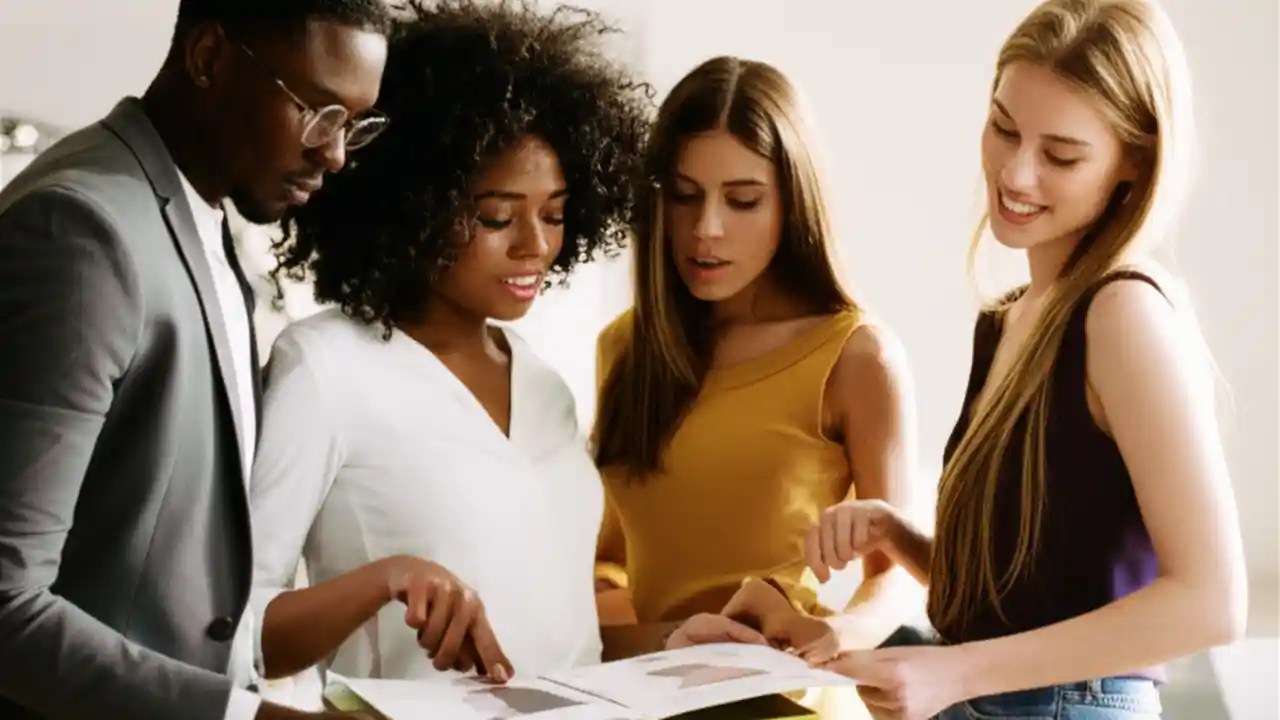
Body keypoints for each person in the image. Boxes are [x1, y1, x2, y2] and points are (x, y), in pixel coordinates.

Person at [798, 1, 1247, 718]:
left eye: (1061, 155)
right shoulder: (1011, 319)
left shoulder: (1123, 314)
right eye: (1003, 127)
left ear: (1135, 159)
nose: (1015, 172)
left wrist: (956, 675)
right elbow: (1026, 600)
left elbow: (1212, 602)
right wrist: (894, 533)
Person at [0, 1, 391, 719]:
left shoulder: (199, 215)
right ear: (208, 57)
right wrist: (245, 717)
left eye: (356, 124)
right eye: (318, 112)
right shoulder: (81, 234)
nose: (335, 153)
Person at [249, 0, 650, 687]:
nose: (536, 246)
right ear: (414, 207)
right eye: (496, 216)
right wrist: (386, 580)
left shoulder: (543, 385)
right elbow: (239, 633)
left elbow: (560, 632)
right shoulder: (325, 368)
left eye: (554, 214)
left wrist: (677, 640)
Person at [591, 55, 918, 661]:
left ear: (791, 204)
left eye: (742, 201)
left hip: (789, 685)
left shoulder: (856, 356)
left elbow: (893, 576)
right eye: (685, 197)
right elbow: (608, 564)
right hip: (653, 690)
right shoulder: (626, 350)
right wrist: (665, 647)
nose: (705, 229)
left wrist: (832, 638)